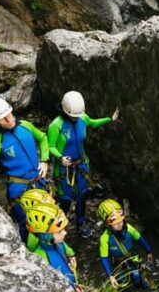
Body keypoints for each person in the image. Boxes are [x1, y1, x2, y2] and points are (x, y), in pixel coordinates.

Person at [0, 96, 50, 242]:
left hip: (39, 181)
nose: (9, 120)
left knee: (48, 217)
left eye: (9, 114)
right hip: (18, 189)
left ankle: (49, 246)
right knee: (25, 225)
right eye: (3, 119)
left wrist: (45, 160)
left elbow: (43, 138)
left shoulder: (26, 126)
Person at [48, 91, 119, 238]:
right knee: (65, 199)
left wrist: (110, 119)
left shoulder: (82, 118)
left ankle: (80, 225)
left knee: (82, 196)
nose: (76, 118)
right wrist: (60, 158)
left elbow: (92, 122)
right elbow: (50, 146)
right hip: (64, 168)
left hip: (81, 165)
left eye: (77, 115)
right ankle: (56, 228)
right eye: (73, 116)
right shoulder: (56, 125)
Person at [97, 199, 153, 292]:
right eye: (115, 223)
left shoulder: (128, 228)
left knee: (137, 277)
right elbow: (104, 258)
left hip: (131, 257)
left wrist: (148, 251)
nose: (119, 224)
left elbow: (140, 239)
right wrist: (110, 275)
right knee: (122, 282)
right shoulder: (104, 238)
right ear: (107, 223)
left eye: (121, 221)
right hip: (117, 262)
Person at [24, 202, 80, 291]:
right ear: (46, 236)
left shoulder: (58, 244)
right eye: (59, 231)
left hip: (72, 281)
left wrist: (71, 255)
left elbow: (66, 249)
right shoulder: (40, 258)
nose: (65, 233)